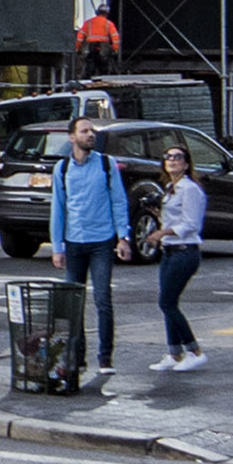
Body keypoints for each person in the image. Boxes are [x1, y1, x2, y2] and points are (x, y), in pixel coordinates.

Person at [48, 115, 131, 380]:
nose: (90, 135)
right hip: (74, 242)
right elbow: (58, 208)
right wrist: (57, 247)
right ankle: (77, 357)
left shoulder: (106, 164)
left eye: (92, 131)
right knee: (74, 303)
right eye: (84, 131)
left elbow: (118, 201)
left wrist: (123, 237)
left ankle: (105, 356)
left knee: (102, 299)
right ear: (72, 137)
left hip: (101, 241)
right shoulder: (62, 168)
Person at [151, 140, 208, 372]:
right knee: (168, 302)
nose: (172, 160)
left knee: (166, 302)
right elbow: (173, 218)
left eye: (177, 157)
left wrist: (162, 232)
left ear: (186, 164)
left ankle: (195, 351)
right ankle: (175, 353)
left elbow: (191, 224)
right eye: (168, 157)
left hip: (185, 251)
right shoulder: (169, 188)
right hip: (169, 251)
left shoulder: (190, 189)